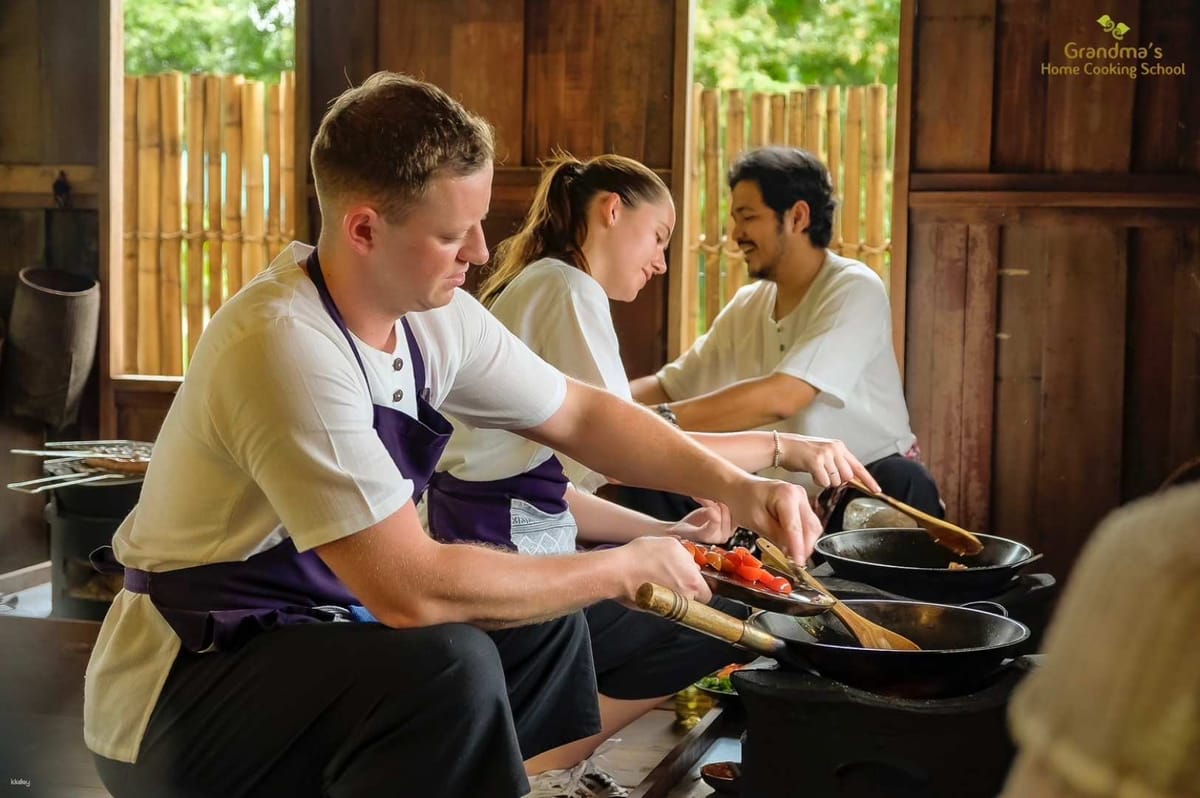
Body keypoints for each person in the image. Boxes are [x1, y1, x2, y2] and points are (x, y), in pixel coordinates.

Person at [82, 73, 817, 798]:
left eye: (478, 222)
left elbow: (583, 415)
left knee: (544, 629)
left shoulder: (434, 317)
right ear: (364, 228)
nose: (480, 250)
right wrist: (619, 568)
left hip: (321, 637)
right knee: (447, 665)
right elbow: (410, 592)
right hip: (181, 695)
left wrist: (740, 488)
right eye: (450, 232)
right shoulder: (284, 345)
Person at [425, 153, 879, 796]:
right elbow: (623, 442)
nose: (662, 262)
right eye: (659, 237)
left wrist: (668, 527)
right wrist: (778, 448)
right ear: (613, 209)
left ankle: (533, 762)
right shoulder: (565, 287)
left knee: (699, 602)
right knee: (713, 619)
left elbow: (546, 488)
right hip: (506, 561)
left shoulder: (540, 283)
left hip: (504, 535)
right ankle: (529, 765)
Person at [627, 146, 941, 531]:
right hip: (776, 496)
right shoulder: (749, 303)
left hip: (865, 490)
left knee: (903, 484)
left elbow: (785, 396)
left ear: (797, 217)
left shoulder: (854, 288)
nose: (735, 234)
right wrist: (591, 407)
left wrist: (653, 424)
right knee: (645, 470)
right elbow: (668, 385)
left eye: (747, 217)